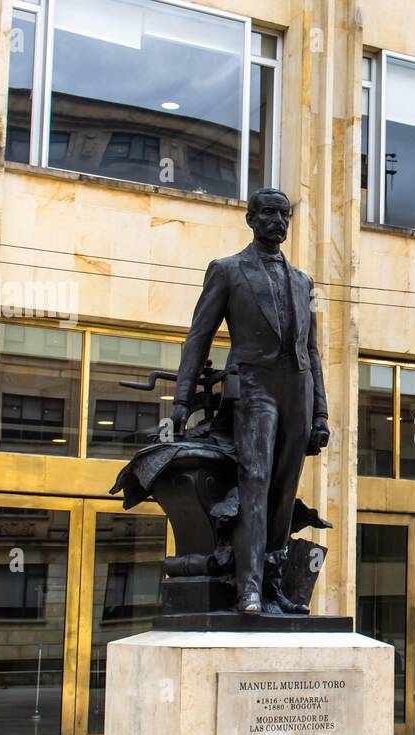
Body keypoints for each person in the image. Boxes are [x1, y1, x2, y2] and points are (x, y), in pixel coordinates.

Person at [169, 188, 329, 615]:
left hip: (295, 388)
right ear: (251, 219)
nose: (278, 220)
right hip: (253, 385)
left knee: (283, 490)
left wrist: (321, 413)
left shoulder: (302, 281)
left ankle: (275, 584)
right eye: (269, 213)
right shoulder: (227, 270)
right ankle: (249, 587)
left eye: (284, 214)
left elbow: (310, 350)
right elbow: (198, 337)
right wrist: (182, 399)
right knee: (254, 480)